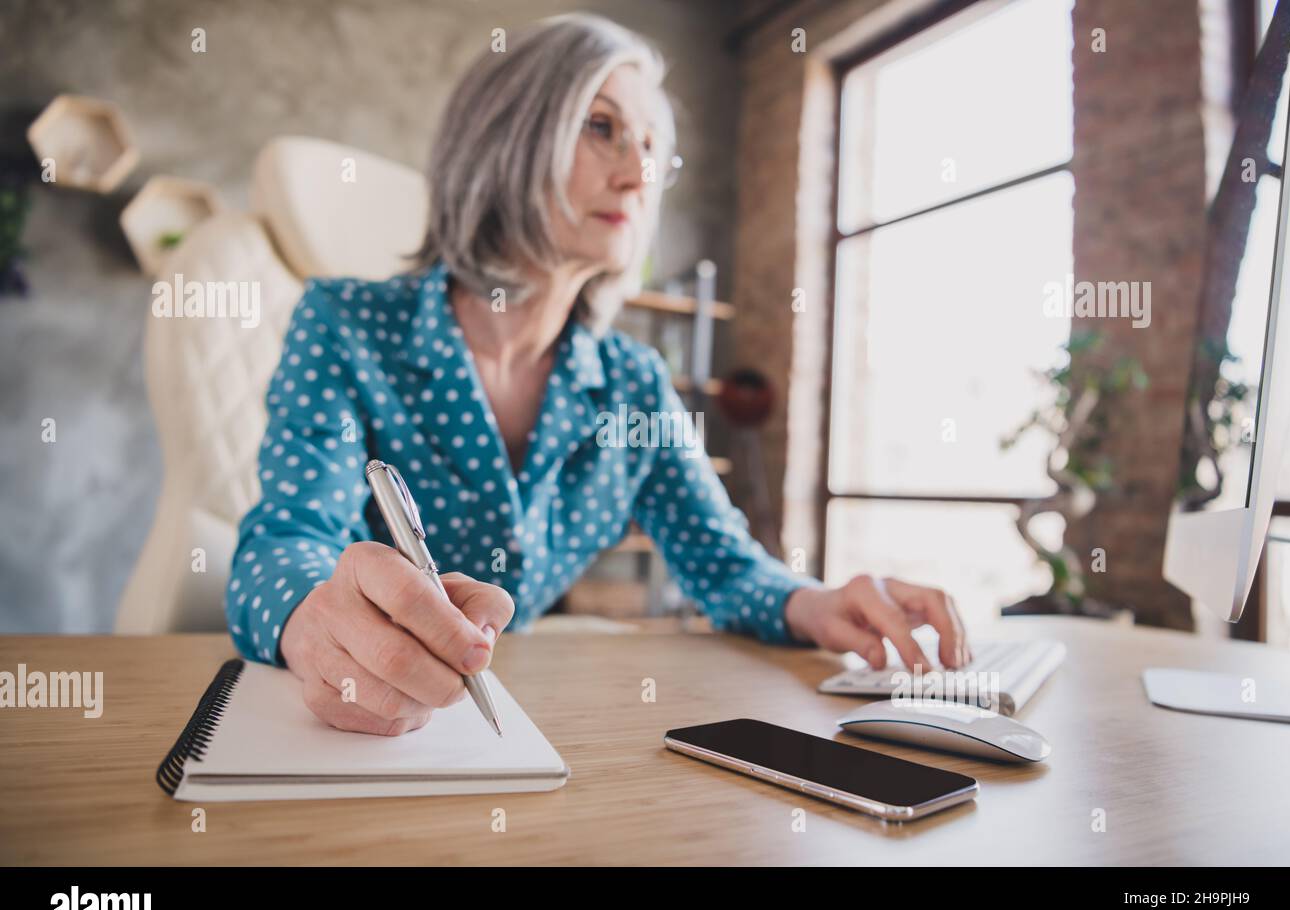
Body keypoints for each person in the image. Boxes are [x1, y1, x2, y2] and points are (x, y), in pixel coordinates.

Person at [226, 13, 970, 735]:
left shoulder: (634, 385)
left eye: (654, 147)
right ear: (506, 136)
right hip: (351, 734)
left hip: (502, 736)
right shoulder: (345, 325)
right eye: (603, 126)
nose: (640, 172)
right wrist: (311, 621)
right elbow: (284, 543)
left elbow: (726, 566)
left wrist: (816, 602)